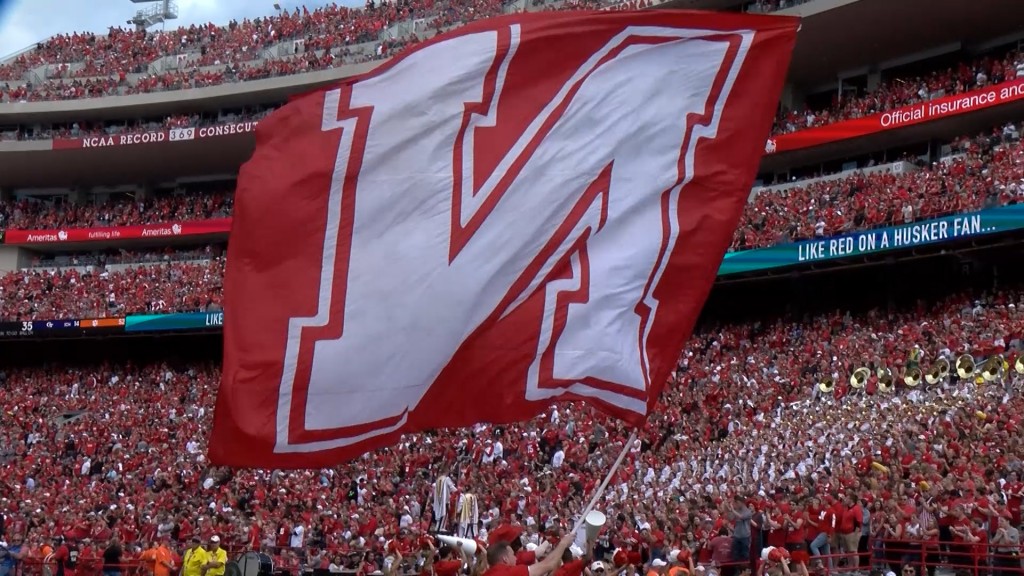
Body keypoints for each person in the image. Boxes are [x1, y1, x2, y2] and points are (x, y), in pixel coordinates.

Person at [484, 533, 574, 576]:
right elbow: (549, 564)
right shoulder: (509, 572)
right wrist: (563, 543)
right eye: (512, 555)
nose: (515, 558)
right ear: (505, 559)